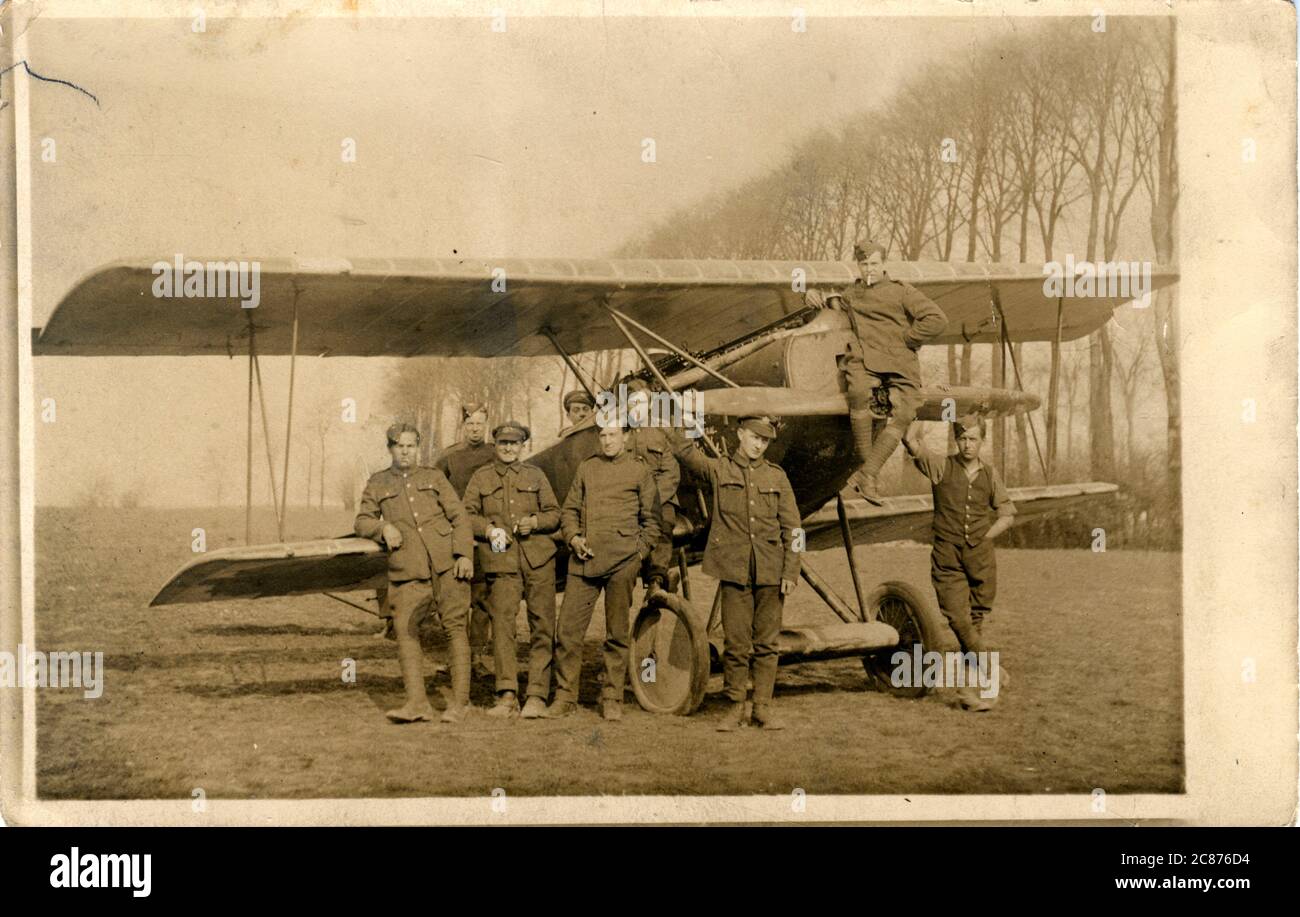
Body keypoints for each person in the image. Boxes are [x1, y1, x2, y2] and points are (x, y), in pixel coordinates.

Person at [670, 415, 801, 731]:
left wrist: (791, 570)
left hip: (771, 570)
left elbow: (794, 529)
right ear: (740, 434)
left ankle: (763, 708)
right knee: (736, 644)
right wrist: (687, 415)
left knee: (768, 644)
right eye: (754, 437)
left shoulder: (777, 477)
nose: (759, 445)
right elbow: (685, 451)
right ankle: (734, 707)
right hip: (735, 570)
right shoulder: (719, 470)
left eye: (764, 440)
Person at [355, 423, 475, 723]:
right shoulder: (378, 482)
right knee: (407, 633)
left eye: (410, 445)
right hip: (407, 568)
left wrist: (463, 554)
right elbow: (362, 521)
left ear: (417, 448)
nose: (405, 451)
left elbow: (459, 516)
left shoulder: (433, 477)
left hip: (447, 566)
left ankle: (460, 705)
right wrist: (383, 527)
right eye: (399, 446)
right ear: (390, 449)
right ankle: (417, 704)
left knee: (455, 629)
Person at [547, 419, 661, 721]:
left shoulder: (640, 470)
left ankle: (612, 697)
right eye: (602, 435)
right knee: (568, 632)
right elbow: (569, 511)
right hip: (583, 562)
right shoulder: (587, 468)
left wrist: (638, 554)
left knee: (617, 634)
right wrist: (573, 538)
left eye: (613, 434)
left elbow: (652, 522)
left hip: (622, 563)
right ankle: (565, 696)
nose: (607, 440)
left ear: (625, 436)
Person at [902, 416, 1016, 712]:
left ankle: (968, 694)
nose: (967, 444)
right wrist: (916, 414)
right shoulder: (941, 467)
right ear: (956, 440)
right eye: (963, 438)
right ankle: (992, 669)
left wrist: (985, 536)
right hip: (947, 558)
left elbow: (1007, 513)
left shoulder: (990, 475)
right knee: (957, 617)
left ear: (982, 442)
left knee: (973, 624)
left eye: (974, 439)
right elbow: (911, 442)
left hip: (980, 561)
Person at [824, 241, 948, 505]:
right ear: (858, 265)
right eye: (864, 264)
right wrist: (812, 295)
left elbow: (937, 319)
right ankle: (868, 477)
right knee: (857, 392)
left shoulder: (901, 291)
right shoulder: (852, 293)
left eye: (875, 264)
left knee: (906, 410)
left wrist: (908, 338)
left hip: (899, 359)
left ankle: (867, 473)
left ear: (884, 264)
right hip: (864, 358)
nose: (870, 269)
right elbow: (835, 305)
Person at [462, 420, 561, 720]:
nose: (508, 448)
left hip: (538, 561)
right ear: (496, 446)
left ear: (522, 446)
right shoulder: (481, 478)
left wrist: (535, 522)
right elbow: (465, 516)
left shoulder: (536, 475)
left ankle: (537, 695)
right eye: (503, 443)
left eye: (514, 444)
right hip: (501, 563)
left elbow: (554, 514)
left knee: (542, 626)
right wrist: (489, 530)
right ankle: (506, 694)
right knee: (503, 628)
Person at [435, 403, 496, 677]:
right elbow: (434, 488)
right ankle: (456, 659)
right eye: (470, 424)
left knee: (483, 597)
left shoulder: (496, 454)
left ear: (485, 426)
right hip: (456, 534)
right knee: (455, 598)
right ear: (463, 426)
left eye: (480, 424)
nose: (475, 429)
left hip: (485, 532)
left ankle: (478, 658)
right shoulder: (450, 457)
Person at [624, 379, 681, 594]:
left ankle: (656, 579)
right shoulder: (620, 434)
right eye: (632, 403)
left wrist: (653, 498)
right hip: (628, 497)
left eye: (641, 402)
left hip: (659, 497)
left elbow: (671, 472)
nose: (636, 407)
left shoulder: (661, 432)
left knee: (664, 521)